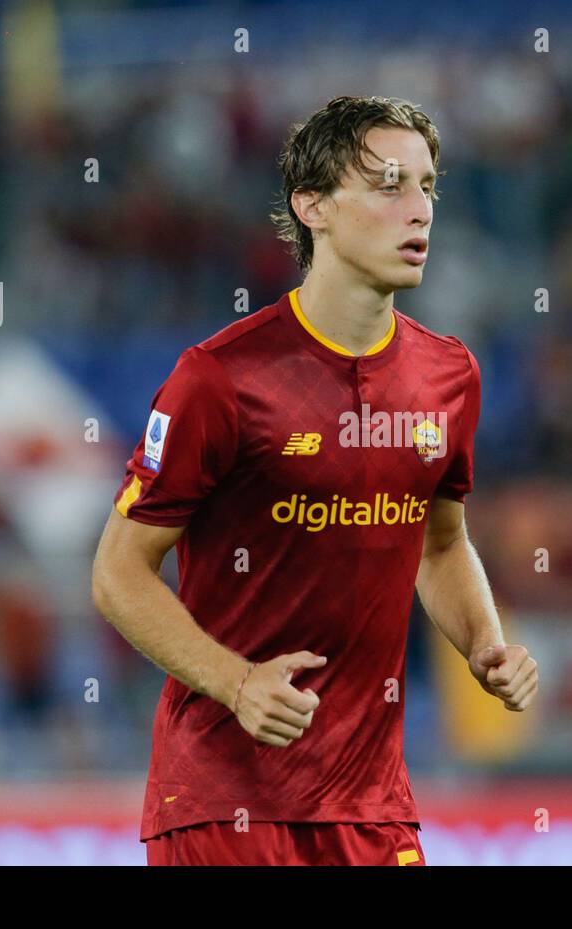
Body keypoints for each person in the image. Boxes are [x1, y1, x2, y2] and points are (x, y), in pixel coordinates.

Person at [91, 95, 538, 866]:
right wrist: (235, 684)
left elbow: (440, 546)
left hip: (374, 809)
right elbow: (118, 573)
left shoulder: (449, 376)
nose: (419, 210)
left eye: (428, 187)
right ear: (314, 207)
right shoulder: (221, 378)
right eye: (390, 185)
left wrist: (484, 642)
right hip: (227, 805)